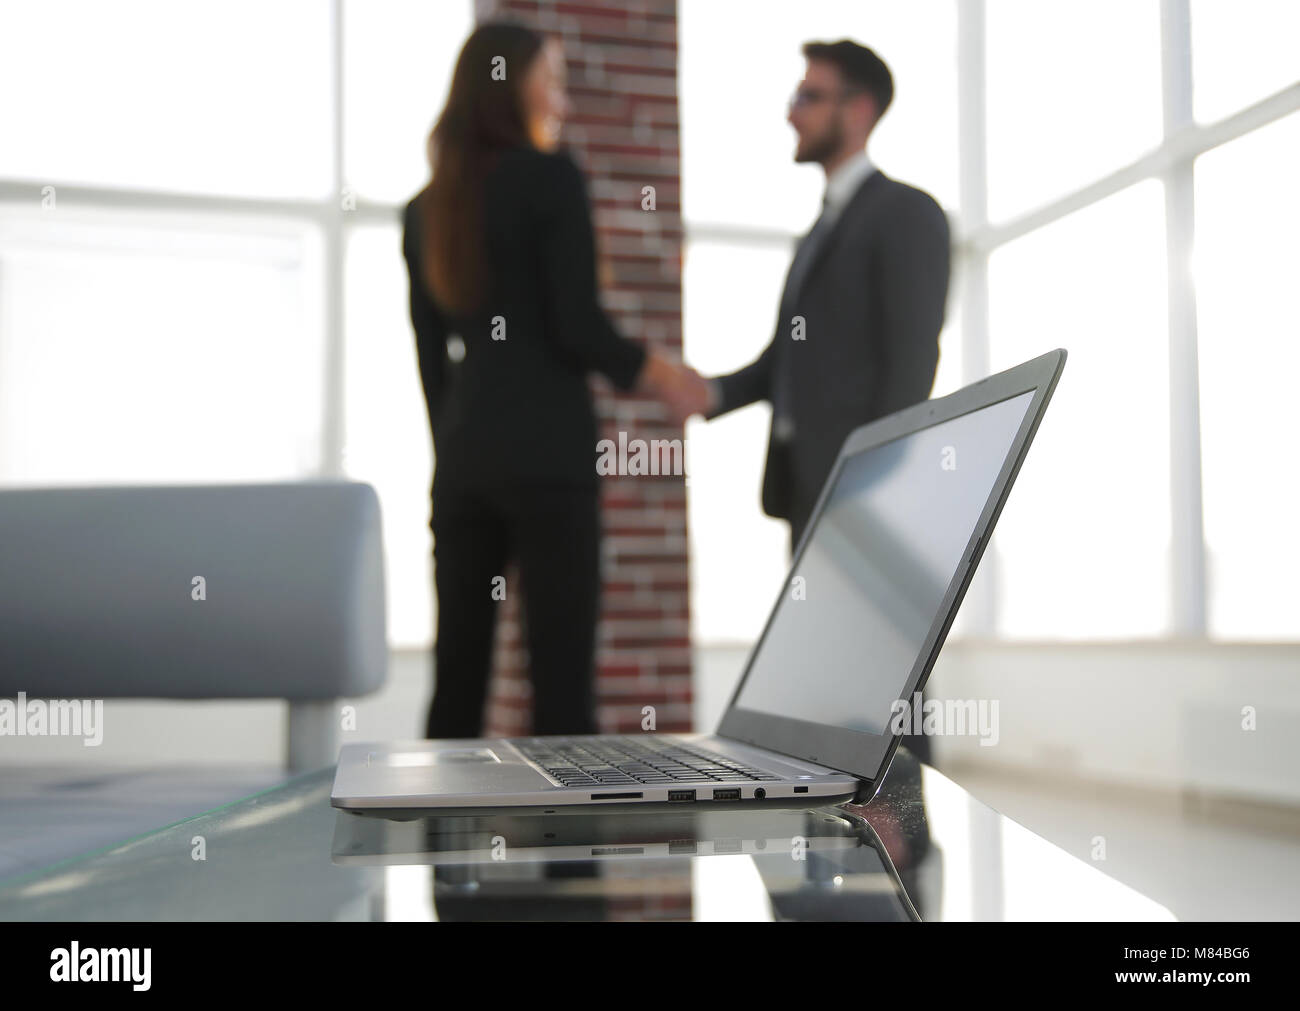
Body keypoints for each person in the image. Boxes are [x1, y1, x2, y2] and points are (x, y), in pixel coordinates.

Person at [402, 21, 706, 739]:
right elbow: (577, 327)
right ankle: (566, 857)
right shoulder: (550, 177)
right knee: (562, 690)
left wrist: (456, 445)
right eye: (552, 78)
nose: (561, 97)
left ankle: (445, 852)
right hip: (549, 460)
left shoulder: (426, 208)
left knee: (457, 683)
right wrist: (664, 375)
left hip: (465, 462)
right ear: (514, 85)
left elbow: (428, 354)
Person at [681, 39, 951, 763]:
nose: (792, 111)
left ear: (857, 110)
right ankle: (845, 851)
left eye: (809, 96)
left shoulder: (904, 214)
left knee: (885, 684)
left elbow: (911, 360)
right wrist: (708, 393)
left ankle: (908, 852)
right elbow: (785, 362)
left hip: (866, 496)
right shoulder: (818, 234)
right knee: (832, 686)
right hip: (811, 489)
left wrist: (877, 485)